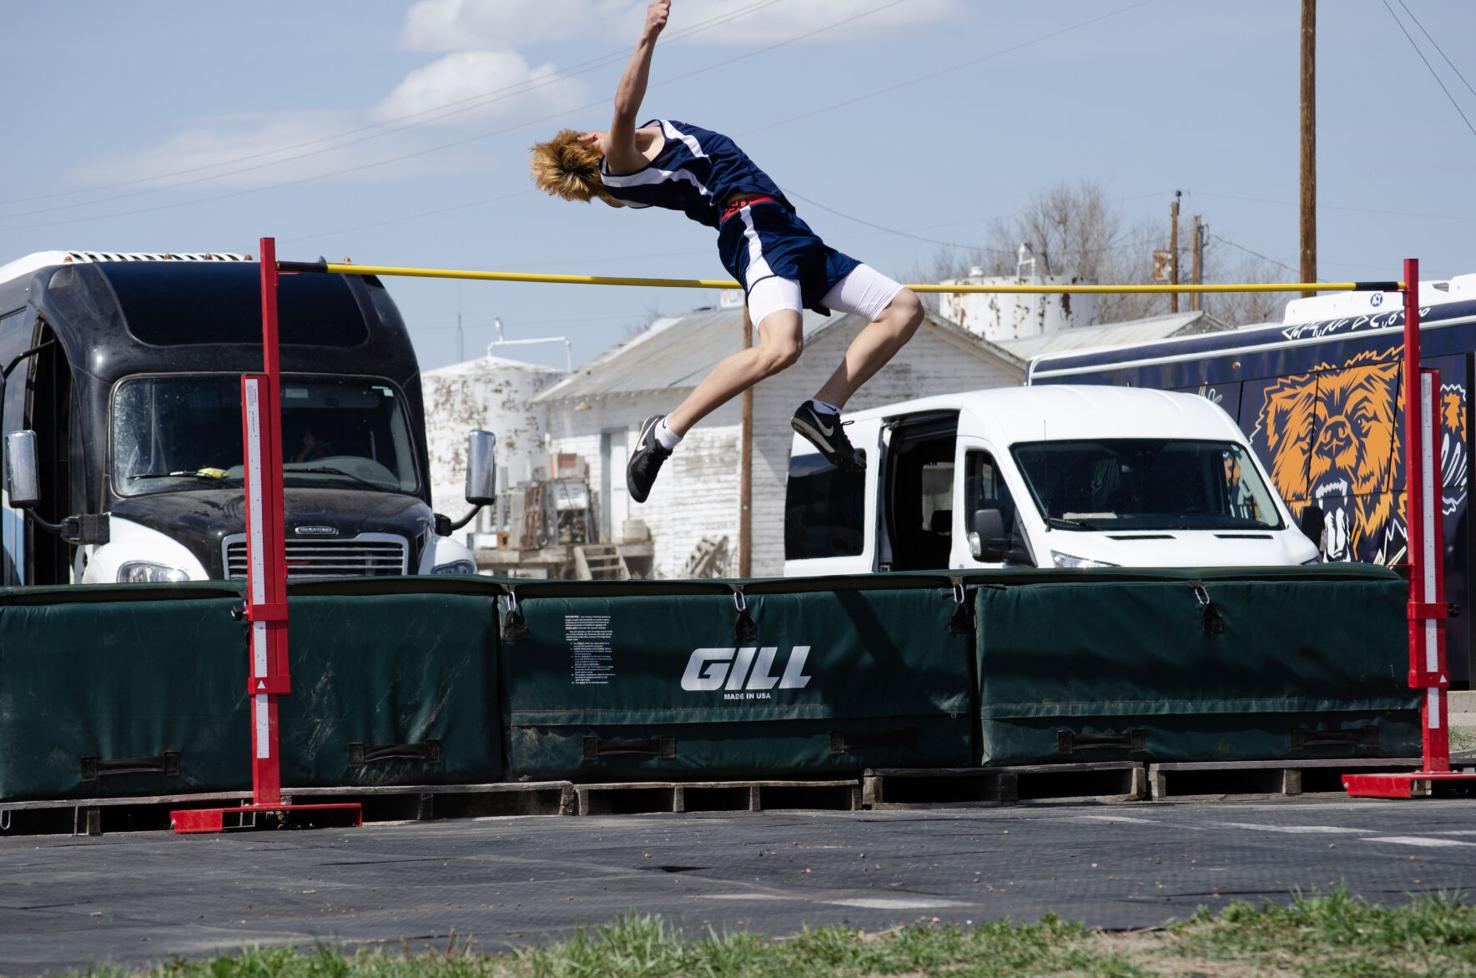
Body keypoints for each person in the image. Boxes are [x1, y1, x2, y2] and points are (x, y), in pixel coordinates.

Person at [529, 0, 923, 503]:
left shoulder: (644, 149)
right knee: (781, 347)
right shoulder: (620, 167)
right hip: (752, 227)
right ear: (589, 142)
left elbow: (632, 117)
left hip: (790, 231)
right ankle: (665, 432)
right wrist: (649, 33)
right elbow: (623, 108)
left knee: (903, 308)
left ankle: (823, 410)